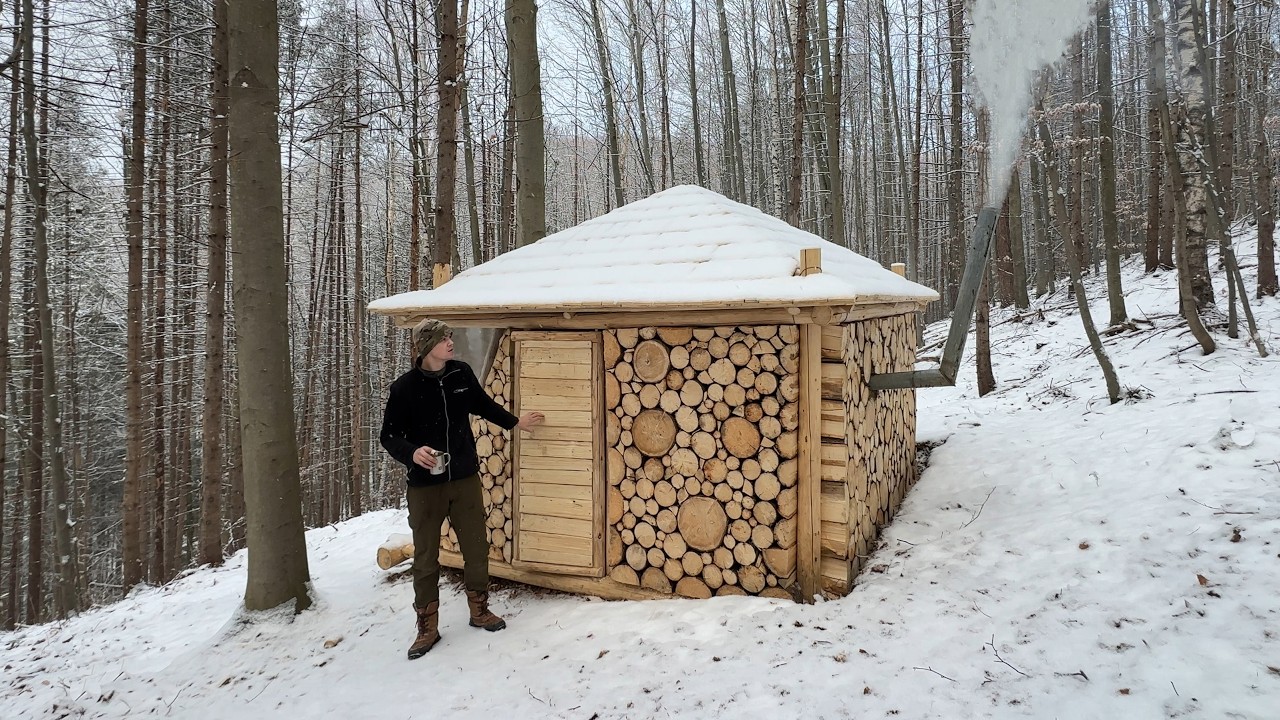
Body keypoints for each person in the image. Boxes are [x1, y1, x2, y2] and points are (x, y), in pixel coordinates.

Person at [379, 319, 544, 659]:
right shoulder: (404, 389)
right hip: (425, 486)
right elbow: (389, 436)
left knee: (476, 548)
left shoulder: (461, 375)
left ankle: (479, 610)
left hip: (465, 477)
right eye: (443, 338)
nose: (450, 342)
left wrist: (516, 423)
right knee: (426, 557)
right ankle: (427, 627)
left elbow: (483, 405)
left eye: (450, 336)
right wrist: (412, 452)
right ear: (427, 347)